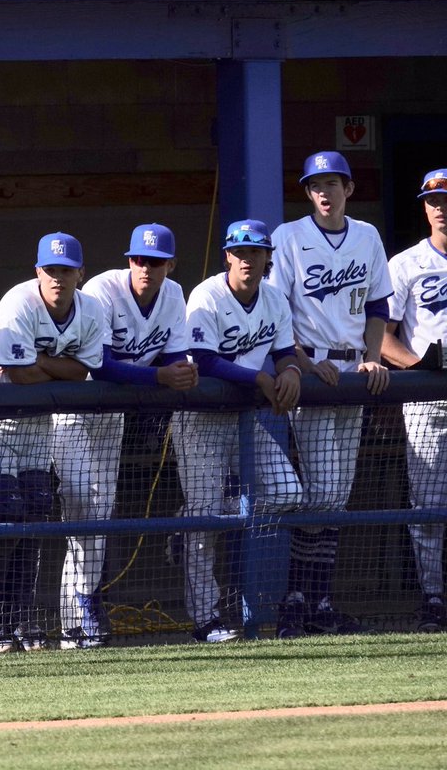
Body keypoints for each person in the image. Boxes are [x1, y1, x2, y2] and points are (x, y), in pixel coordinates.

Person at [267, 151, 392, 637]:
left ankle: (315, 599)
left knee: (337, 495)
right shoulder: (289, 237)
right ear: (307, 191)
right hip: (314, 367)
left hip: (354, 366)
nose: (323, 191)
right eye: (315, 184)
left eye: (331, 183)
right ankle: (298, 597)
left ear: (348, 189)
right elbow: (277, 312)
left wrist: (374, 355)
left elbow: (380, 303)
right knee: (320, 491)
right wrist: (300, 360)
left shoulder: (367, 236)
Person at [0, 233, 106, 652]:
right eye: (51, 270)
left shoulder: (90, 310)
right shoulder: (19, 301)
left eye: (66, 271)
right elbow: (19, 374)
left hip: (37, 428)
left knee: (34, 514)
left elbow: (83, 372)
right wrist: (56, 367)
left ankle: (20, 620)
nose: (58, 278)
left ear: (80, 274)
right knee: (6, 515)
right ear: (38, 272)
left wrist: (39, 361)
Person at [175, 220, 304, 643]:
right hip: (200, 419)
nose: (247, 259)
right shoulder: (207, 295)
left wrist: (289, 371)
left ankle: (201, 511)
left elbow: (285, 352)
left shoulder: (273, 298)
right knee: (205, 527)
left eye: (255, 252)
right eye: (240, 252)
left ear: (268, 258)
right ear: (228, 256)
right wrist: (260, 380)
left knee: (289, 493)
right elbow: (204, 359)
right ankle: (205, 621)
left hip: (243, 421)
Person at [78, 224, 198, 644]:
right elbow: (100, 364)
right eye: (140, 260)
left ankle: (85, 610)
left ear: (170, 264)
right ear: (129, 260)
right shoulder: (101, 290)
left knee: (101, 506)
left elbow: (174, 354)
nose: (146, 268)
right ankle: (78, 611)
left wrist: (181, 371)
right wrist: (161, 376)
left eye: (156, 261)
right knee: (80, 505)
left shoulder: (173, 293)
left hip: (117, 416)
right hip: (80, 409)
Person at [381, 168, 447, 632]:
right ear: (424, 208)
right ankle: (434, 597)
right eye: (435, 200)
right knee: (427, 506)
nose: (442, 207)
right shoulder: (404, 264)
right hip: (429, 398)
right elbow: (382, 338)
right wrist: (417, 368)